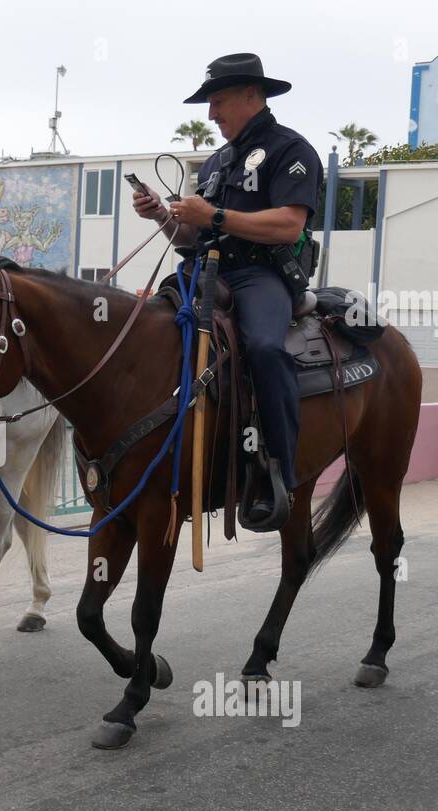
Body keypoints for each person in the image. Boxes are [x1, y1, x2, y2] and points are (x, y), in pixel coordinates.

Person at [133, 53, 323, 530]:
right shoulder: (217, 161)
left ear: (251, 96)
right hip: (204, 271)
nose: (211, 114)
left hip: (259, 275)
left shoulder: (292, 150)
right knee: (141, 331)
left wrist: (213, 216)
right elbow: (190, 239)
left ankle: (278, 471)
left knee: (263, 347)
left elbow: (288, 223)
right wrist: (162, 214)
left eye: (217, 102)